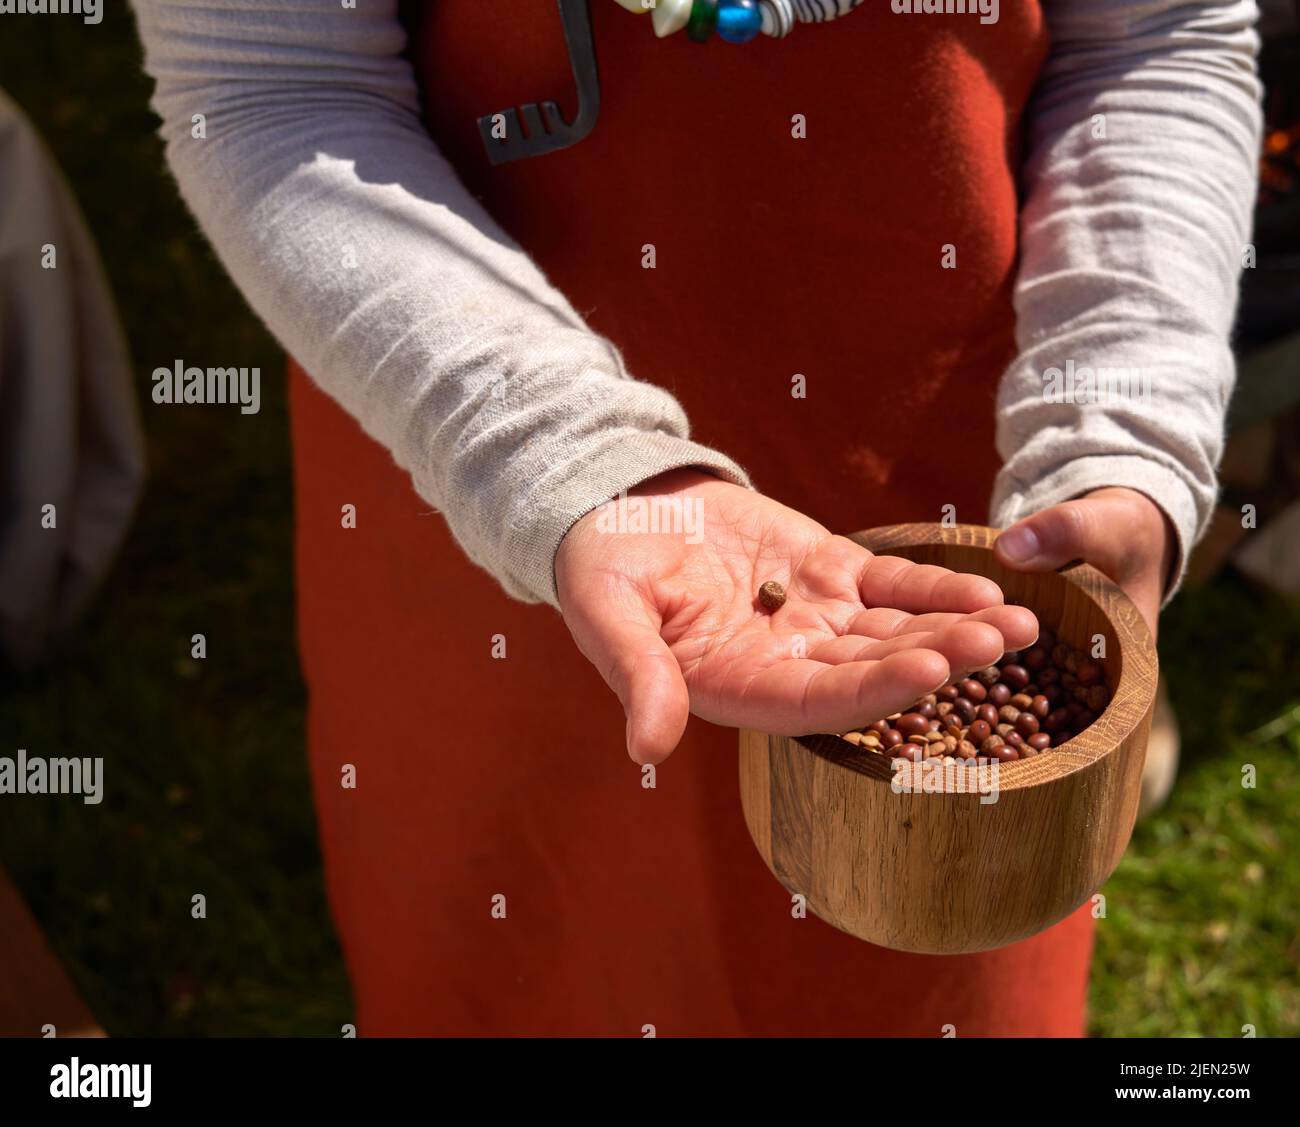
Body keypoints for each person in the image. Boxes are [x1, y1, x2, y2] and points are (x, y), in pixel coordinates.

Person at [132, 0, 1261, 1035]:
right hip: (477, 449)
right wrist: (573, 467)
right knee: (537, 935)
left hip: (947, 470)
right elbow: (268, 87)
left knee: (924, 937)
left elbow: (1157, 37)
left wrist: (1120, 419)